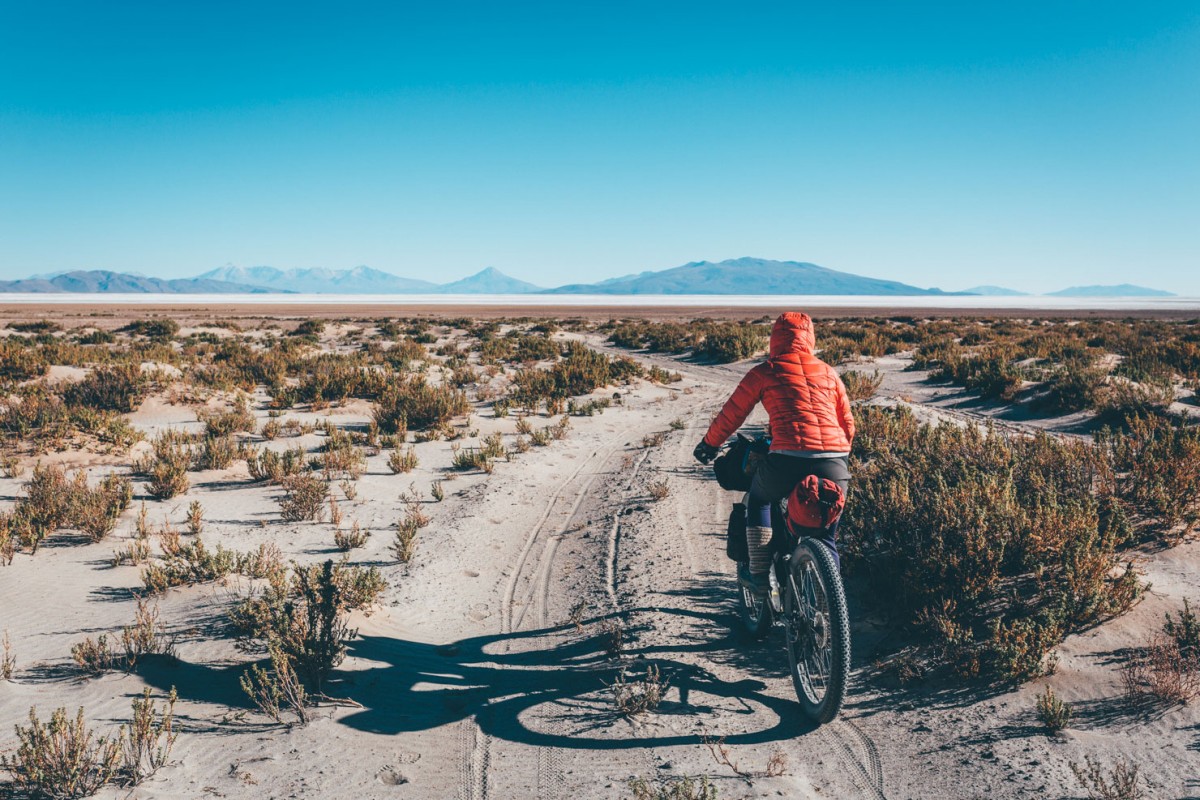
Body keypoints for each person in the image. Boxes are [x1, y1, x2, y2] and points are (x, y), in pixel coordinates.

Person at [693, 312, 855, 595]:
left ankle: (758, 576)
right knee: (828, 520)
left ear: (775, 339)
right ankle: (830, 596)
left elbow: (733, 413)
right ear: (810, 338)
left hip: (787, 457)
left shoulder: (766, 370)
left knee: (760, 499)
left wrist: (710, 444)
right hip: (835, 458)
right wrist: (838, 454)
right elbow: (847, 422)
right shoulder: (829, 372)